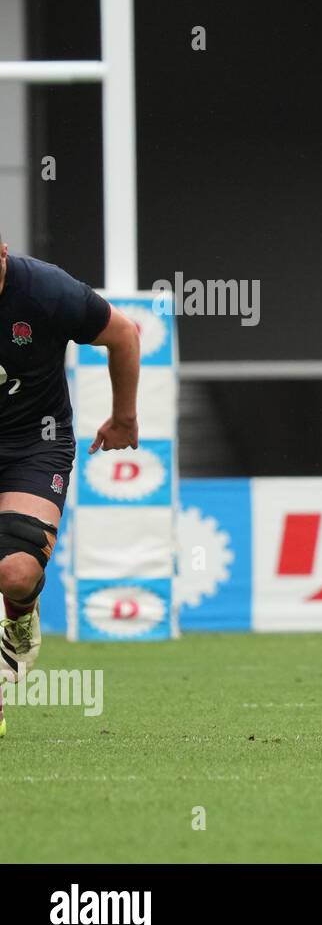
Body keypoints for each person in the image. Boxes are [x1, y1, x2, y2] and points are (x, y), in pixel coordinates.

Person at [0, 234, 141, 738]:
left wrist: (124, 415)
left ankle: (19, 615)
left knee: (16, 572)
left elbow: (123, 334)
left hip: (35, 442)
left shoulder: (45, 290)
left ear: (3, 254)